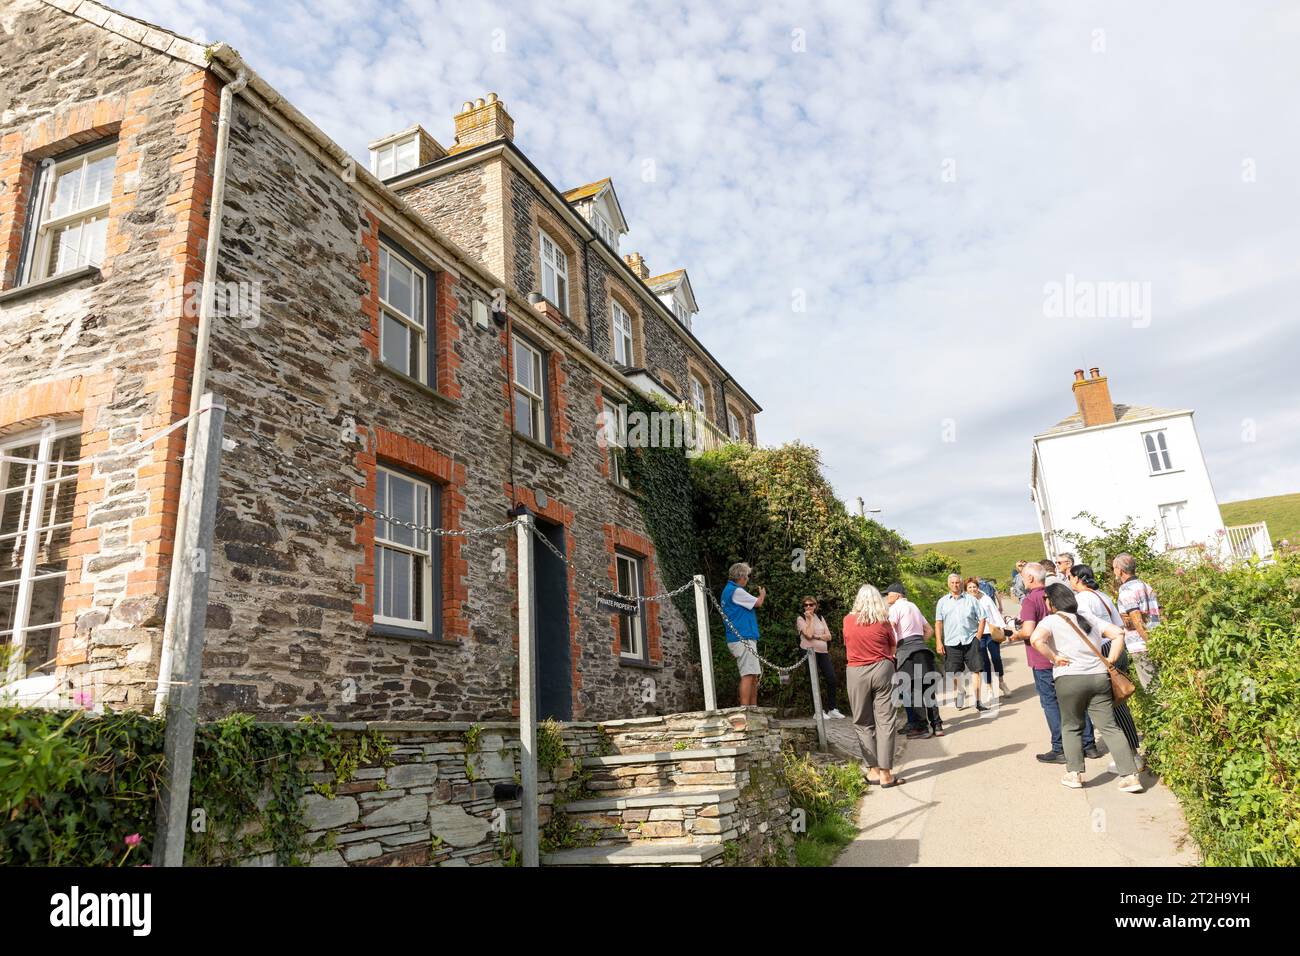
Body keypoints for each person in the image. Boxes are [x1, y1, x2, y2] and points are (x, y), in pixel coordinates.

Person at [1030, 583, 1143, 793]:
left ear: (1051, 602)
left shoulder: (1051, 620)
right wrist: (1110, 659)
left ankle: (1074, 774)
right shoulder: (1087, 618)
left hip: (1069, 679)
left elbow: (1036, 640)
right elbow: (1118, 633)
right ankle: (1130, 775)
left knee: (1071, 726)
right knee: (1109, 726)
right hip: (1098, 677)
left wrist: (1054, 657)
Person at [1011, 562, 1098, 763]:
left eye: (1023, 576)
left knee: (1051, 703)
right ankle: (1089, 744)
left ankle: (1060, 748)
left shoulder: (1030, 600)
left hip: (1043, 658)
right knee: (1076, 700)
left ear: (1031, 578)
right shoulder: (1057, 593)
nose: (1023, 580)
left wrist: (1013, 635)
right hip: (1066, 655)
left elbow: (1028, 631)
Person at [1069, 564, 1142, 767]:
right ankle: (1131, 753)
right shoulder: (1102, 595)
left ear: (1077, 579)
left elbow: (1087, 629)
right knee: (1120, 701)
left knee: (1113, 705)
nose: (1069, 581)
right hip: (1117, 646)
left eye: (1070, 577)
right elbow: (1118, 624)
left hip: (1103, 651)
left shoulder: (1081, 600)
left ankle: (1131, 756)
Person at [843, 584, 903, 786]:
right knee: (886, 721)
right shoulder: (884, 621)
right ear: (878, 599)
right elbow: (893, 646)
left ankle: (873, 771)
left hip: (856, 671)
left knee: (862, 721)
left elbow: (848, 643)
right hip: (882, 669)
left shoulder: (847, 620)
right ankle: (887, 775)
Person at [885, 583, 942, 738]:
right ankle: (937, 725)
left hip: (906, 652)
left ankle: (922, 728)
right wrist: (918, 643)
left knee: (913, 691)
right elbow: (929, 630)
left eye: (888, 594)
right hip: (922, 650)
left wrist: (894, 649)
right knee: (928, 691)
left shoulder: (895, 608)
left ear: (897, 595)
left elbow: (890, 628)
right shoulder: (914, 607)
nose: (886, 597)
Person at [934, 572, 988, 711]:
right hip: (951, 642)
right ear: (948, 584)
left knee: (976, 670)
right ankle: (961, 691)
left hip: (970, 639)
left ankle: (978, 701)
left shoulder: (971, 599)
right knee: (955, 672)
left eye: (957, 582)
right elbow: (938, 623)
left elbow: (982, 617)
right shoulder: (942, 602)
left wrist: (978, 637)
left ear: (961, 583)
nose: (955, 585)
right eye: (952, 583)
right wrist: (939, 642)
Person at [1113, 553, 1160, 691]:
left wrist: (1150, 643)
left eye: (1114, 568)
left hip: (1141, 644)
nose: (1114, 571)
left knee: (1153, 688)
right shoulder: (1145, 585)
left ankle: (1160, 712)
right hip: (1157, 638)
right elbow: (1157, 614)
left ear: (1120, 570)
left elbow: (1136, 620)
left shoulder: (1126, 590)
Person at [721, 563, 764, 706]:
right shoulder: (736, 591)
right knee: (747, 674)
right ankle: (745, 709)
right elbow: (758, 603)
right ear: (741, 577)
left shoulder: (728, 590)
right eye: (746, 576)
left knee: (753, 675)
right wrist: (762, 594)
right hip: (742, 637)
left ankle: (753, 708)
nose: (747, 580)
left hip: (742, 637)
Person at [797, 596, 845, 719]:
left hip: (823, 652)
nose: (808, 607)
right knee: (814, 681)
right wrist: (810, 620)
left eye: (811, 604)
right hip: (809, 652)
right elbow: (808, 634)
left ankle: (832, 708)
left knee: (831, 678)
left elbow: (829, 636)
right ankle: (818, 711)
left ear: (816, 605)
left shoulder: (820, 617)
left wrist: (817, 636)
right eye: (806, 605)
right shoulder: (801, 618)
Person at [966, 577, 1008, 697]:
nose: (973, 589)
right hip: (977, 635)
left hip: (990, 632)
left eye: (974, 586)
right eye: (970, 587)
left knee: (996, 658)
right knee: (984, 661)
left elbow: (995, 613)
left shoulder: (986, 599)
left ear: (978, 587)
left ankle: (1001, 682)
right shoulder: (965, 602)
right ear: (966, 589)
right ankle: (989, 687)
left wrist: (1002, 627)